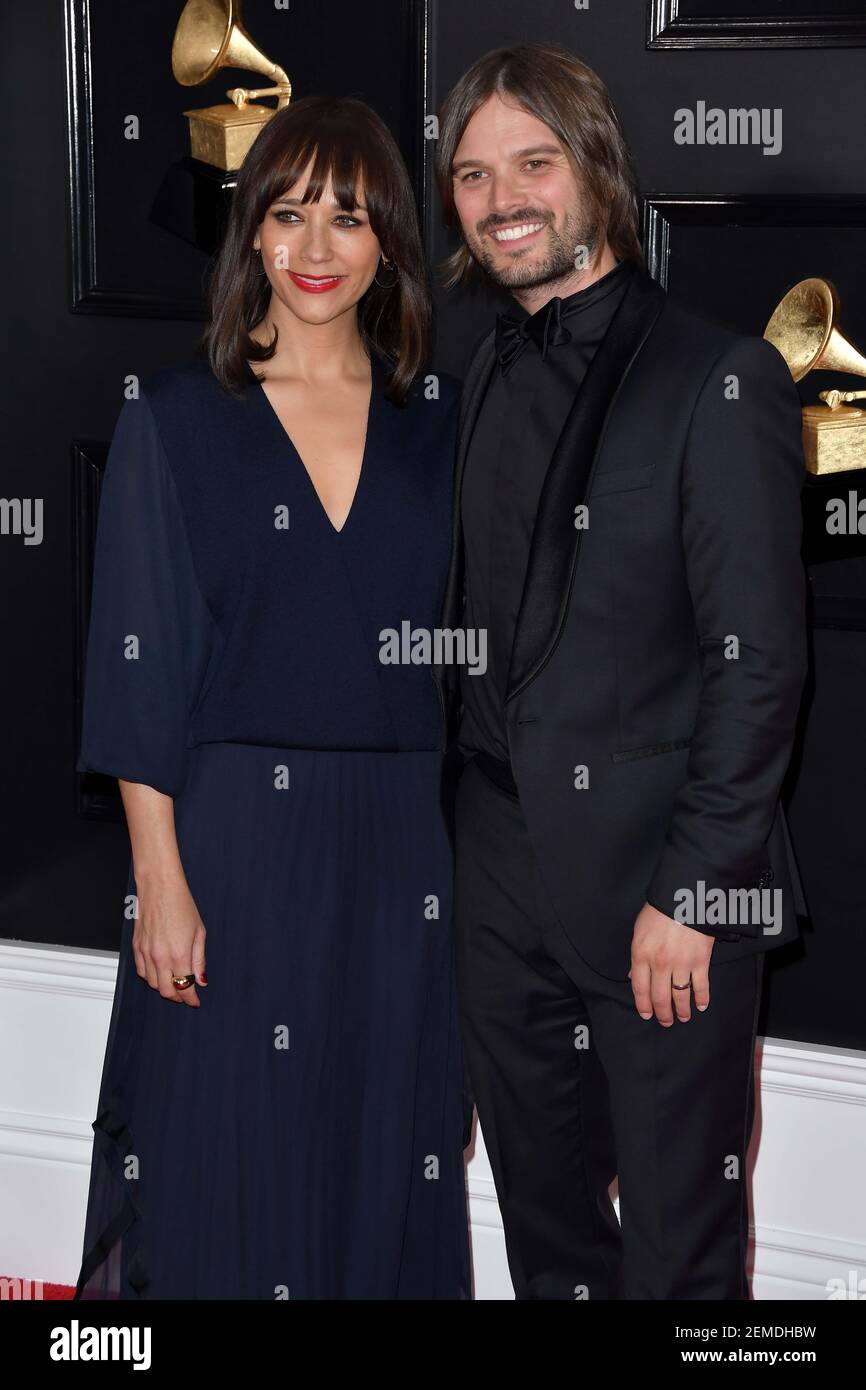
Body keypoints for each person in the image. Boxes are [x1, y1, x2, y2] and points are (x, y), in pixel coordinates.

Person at [73, 94, 470, 1300]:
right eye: (287, 214)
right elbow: (137, 660)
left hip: (402, 849)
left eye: (346, 220)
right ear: (249, 231)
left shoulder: (442, 426)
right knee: (217, 1155)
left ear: (390, 243)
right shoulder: (180, 417)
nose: (312, 249)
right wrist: (162, 879)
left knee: (376, 1160)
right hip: (231, 843)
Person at [433, 43, 807, 1299]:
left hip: (661, 889)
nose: (502, 200)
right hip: (493, 876)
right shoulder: (473, 366)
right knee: (545, 1234)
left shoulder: (716, 375)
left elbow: (756, 666)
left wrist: (698, 890)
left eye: (531, 162)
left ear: (594, 169)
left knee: (679, 1256)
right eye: (474, 175)